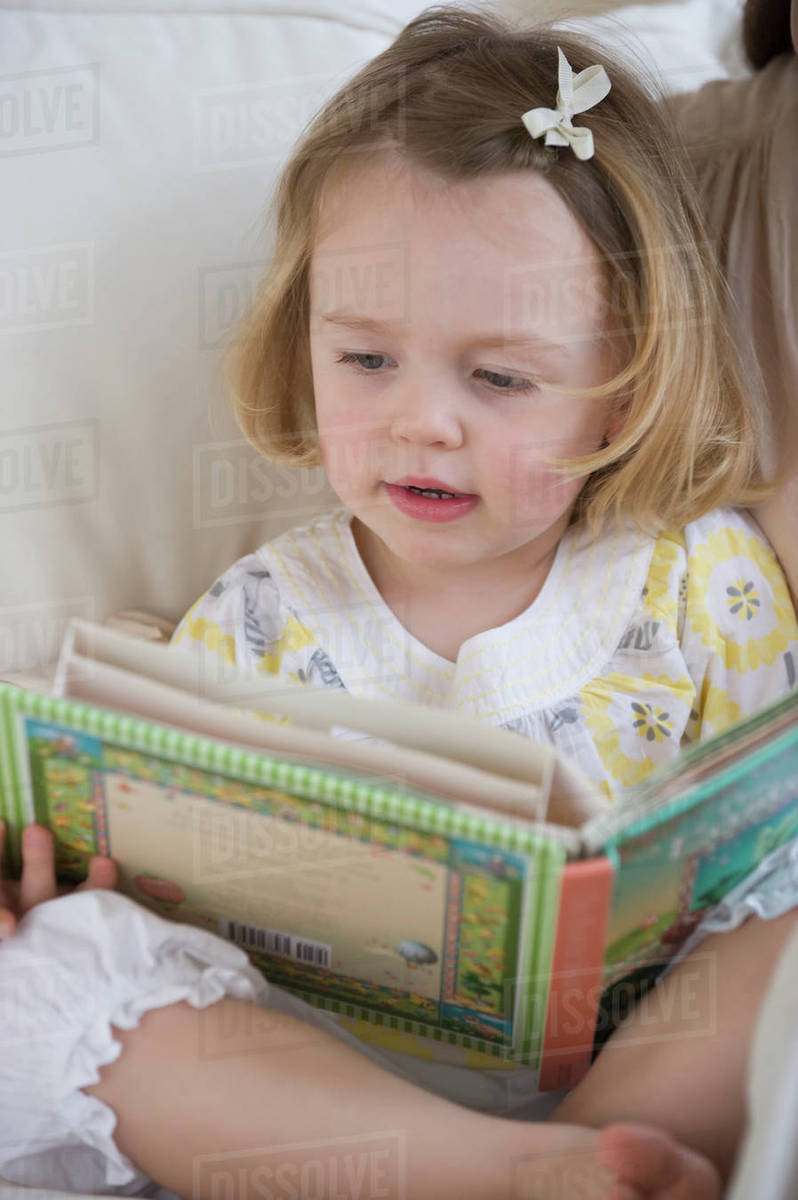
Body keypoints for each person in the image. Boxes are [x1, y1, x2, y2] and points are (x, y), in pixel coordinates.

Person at [1, 7, 797, 1197]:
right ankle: (512, 1174)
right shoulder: (259, 615)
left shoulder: (702, 583)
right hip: (330, 1101)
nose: (425, 421)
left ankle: (586, 1159)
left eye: (502, 378)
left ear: (621, 397)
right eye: (367, 360)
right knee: (52, 971)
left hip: (643, 1072)